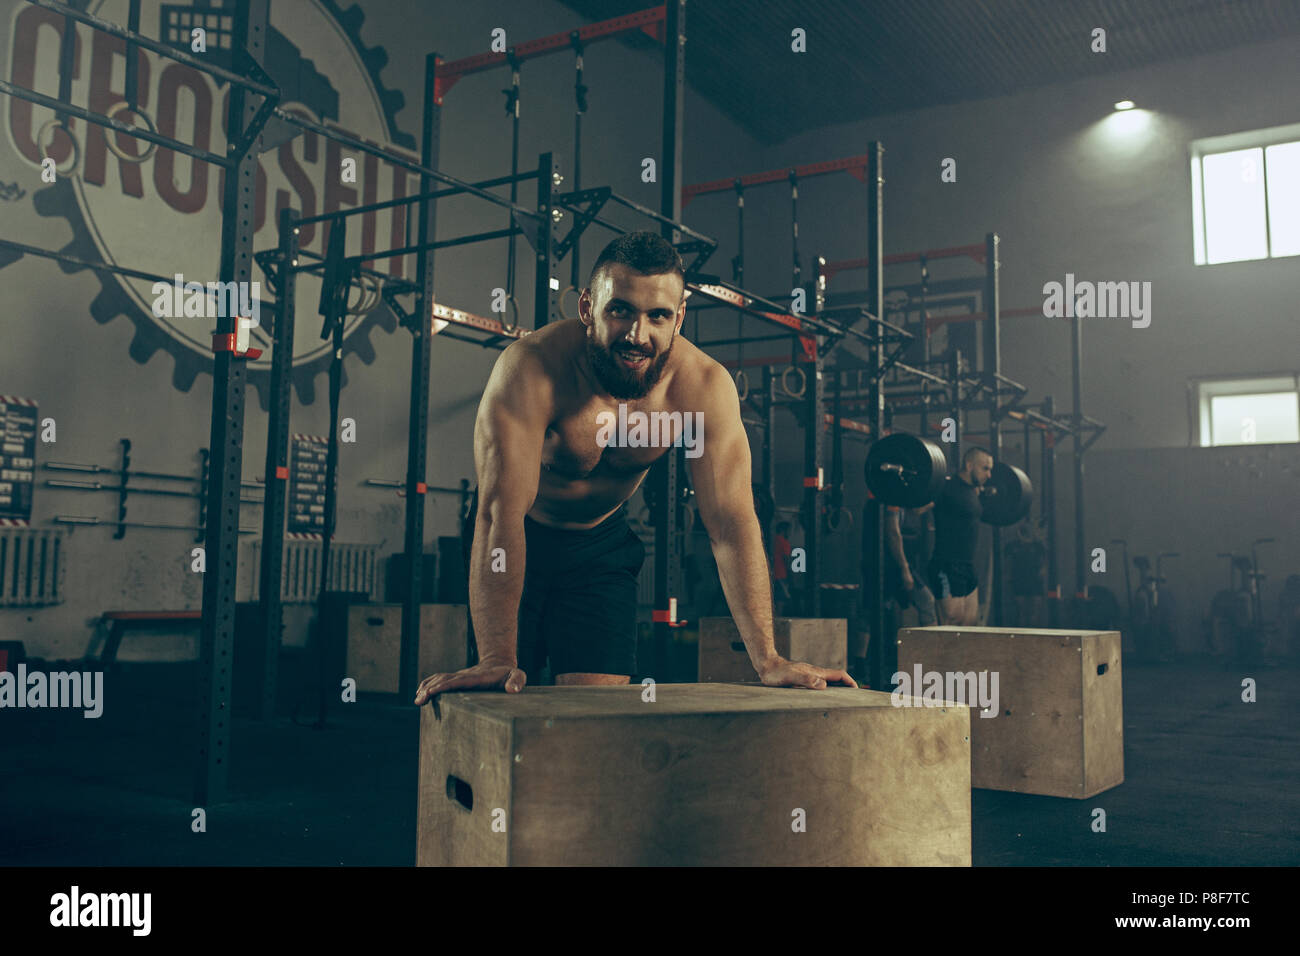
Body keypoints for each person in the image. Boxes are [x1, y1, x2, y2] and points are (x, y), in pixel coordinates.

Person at [414, 232, 855, 704]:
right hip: (522, 536)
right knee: (500, 695)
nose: (636, 335)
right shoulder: (532, 369)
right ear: (587, 307)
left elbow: (730, 522)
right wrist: (496, 655)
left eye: (657, 316)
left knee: (594, 718)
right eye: (620, 310)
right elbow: (500, 513)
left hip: (600, 551)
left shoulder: (702, 387)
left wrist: (768, 658)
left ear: (679, 317)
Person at [927, 446, 993, 626]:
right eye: (985, 468)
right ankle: (937, 655)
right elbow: (917, 507)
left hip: (967, 566)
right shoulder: (945, 486)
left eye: (990, 470)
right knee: (951, 619)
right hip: (946, 565)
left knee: (969, 624)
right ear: (969, 465)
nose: (989, 475)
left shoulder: (974, 491)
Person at [771, 521, 793, 615]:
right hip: (781, 574)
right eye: (789, 530)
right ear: (784, 530)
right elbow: (787, 560)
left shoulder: (773, 540)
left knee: (775, 599)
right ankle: (777, 621)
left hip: (772, 575)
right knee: (781, 599)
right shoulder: (784, 543)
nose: (790, 533)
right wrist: (790, 575)